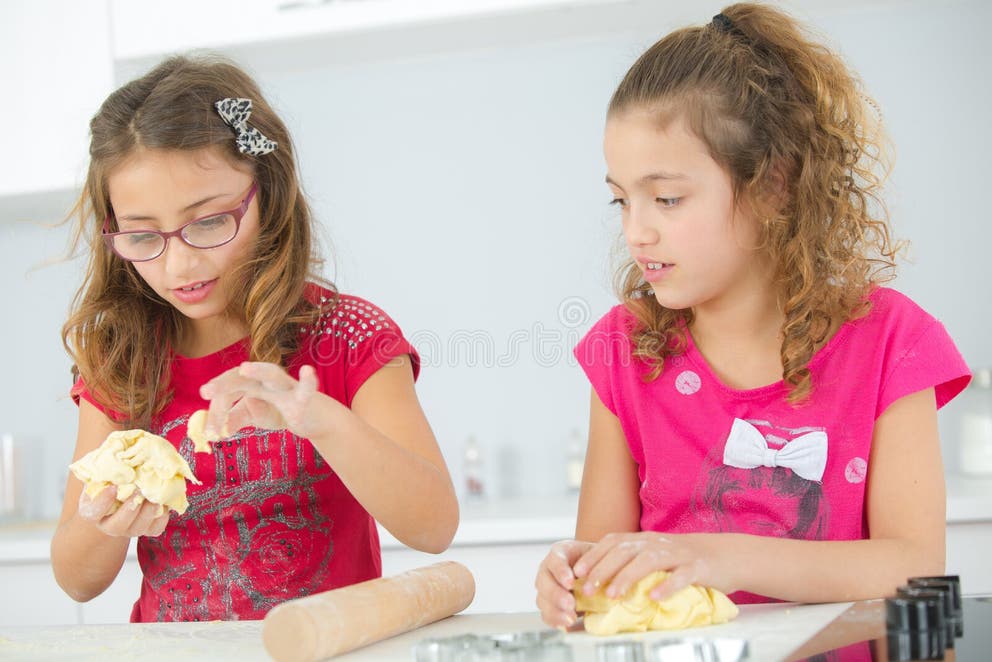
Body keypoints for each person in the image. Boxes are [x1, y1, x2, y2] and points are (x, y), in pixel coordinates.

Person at [535, 3, 971, 628]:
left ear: (773, 185)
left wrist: (721, 558)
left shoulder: (891, 342)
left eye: (666, 198)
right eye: (621, 200)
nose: (637, 231)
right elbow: (608, 565)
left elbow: (915, 565)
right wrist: (573, 578)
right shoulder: (624, 350)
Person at [51, 55, 458, 622]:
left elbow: (434, 526)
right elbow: (76, 581)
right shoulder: (122, 360)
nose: (181, 263)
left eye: (210, 221)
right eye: (143, 236)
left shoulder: (347, 337)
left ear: (267, 193)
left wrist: (319, 419)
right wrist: (104, 521)